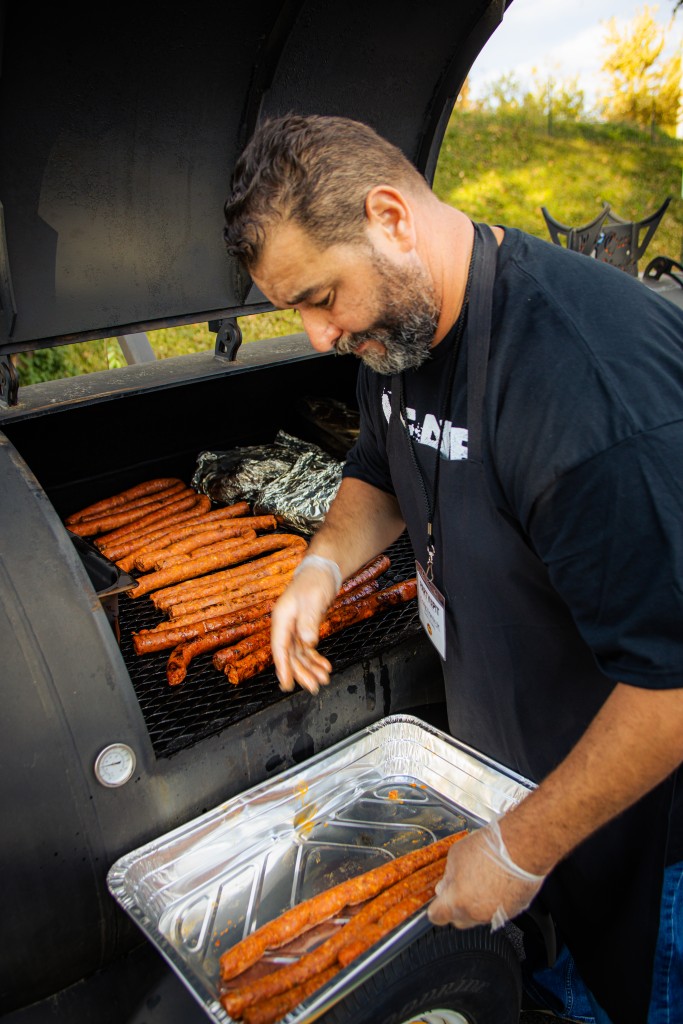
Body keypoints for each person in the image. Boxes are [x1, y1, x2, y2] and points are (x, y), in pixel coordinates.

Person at [223, 113, 683, 1024]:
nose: (316, 336)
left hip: (646, 848)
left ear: (391, 216)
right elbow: (380, 462)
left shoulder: (587, 392)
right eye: (295, 312)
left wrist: (517, 849)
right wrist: (323, 563)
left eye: (320, 297)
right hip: (532, 801)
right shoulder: (398, 326)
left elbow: (674, 685)